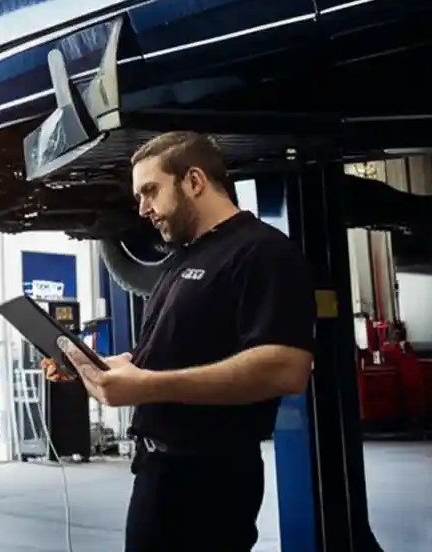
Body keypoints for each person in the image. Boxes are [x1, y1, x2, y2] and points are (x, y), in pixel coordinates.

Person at [42, 131, 317, 552]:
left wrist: (148, 386)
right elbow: (165, 353)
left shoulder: (261, 251)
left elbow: (285, 367)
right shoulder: (183, 258)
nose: (143, 209)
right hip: (158, 469)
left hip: (212, 479)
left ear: (193, 181)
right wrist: (93, 366)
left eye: (150, 191)